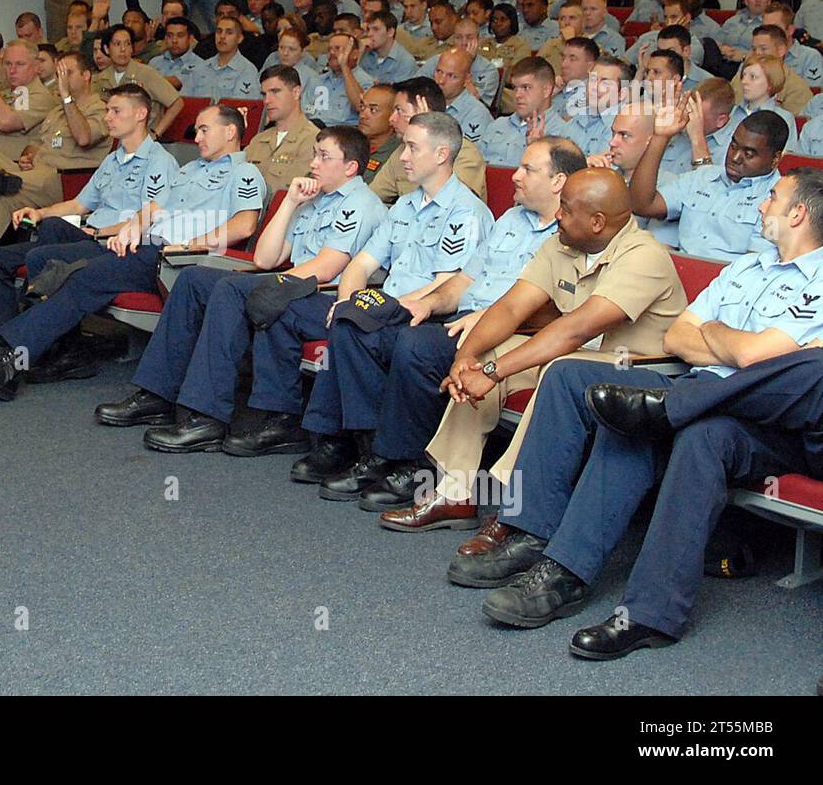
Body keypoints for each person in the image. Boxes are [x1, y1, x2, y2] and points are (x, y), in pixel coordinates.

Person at [465, 169, 823, 656]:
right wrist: (727, 344)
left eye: (773, 199)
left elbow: (759, 360)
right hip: (695, 384)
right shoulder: (747, 267)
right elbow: (679, 336)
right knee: (573, 377)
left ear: (798, 213)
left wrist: (716, 335)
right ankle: (536, 537)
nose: (761, 205)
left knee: (696, 434)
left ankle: (642, 610)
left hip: (767, 423)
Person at [374, 169, 686, 532]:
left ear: (598, 222)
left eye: (566, 209)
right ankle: (455, 492)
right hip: (569, 355)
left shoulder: (645, 256)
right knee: (493, 354)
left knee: (556, 370)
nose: (557, 215)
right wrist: (467, 360)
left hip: (630, 369)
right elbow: (510, 307)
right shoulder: (564, 244)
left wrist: (491, 374)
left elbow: (574, 331)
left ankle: (513, 507)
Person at [293, 137, 584, 491]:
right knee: (354, 326)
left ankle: (410, 465)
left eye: (528, 169)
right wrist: (429, 303)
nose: (514, 176)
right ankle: (366, 449)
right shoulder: (511, 219)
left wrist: (486, 318)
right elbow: (463, 279)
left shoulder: (571, 236)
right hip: (458, 319)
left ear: (558, 181)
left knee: (414, 346)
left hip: (503, 333)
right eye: (519, 166)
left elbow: (552, 311)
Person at [97, 125, 387, 454]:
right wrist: (290, 204)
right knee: (195, 278)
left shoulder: (360, 205)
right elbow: (265, 258)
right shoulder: (314, 201)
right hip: (294, 287)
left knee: (232, 290)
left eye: (323, 156)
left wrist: (273, 285)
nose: (314, 163)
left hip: (327, 297)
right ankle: (158, 393)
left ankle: (207, 415)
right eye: (314, 154)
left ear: (350, 167)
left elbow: (327, 267)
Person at [0, 104, 266, 399]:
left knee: (82, 278)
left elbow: (244, 226)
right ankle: (35, 355)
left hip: (175, 260)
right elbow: (155, 206)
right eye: (195, 131)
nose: (196, 138)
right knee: (53, 261)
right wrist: (133, 227)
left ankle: (8, 361)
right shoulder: (190, 170)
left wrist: (188, 244)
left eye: (204, 130)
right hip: (146, 246)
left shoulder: (244, 173)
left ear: (230, 132)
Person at [0, 84, 179, 352]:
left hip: (113, 243)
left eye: (116, 111)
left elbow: (150, 216)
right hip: (88, 233)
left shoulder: (159, 162)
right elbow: (79, 204)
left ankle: (44, 348)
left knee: (44, 253)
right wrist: (39, 212)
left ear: (140, 114)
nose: (107, 117)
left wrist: (102, 233)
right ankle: (4, 341)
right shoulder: (113, 159)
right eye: (107, 111)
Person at [0, 51, 110, 278]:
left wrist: (65, 97)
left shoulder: (100, 109)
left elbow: (83, 138)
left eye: (68, 73)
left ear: (86, 76)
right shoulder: (56, 111)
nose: (62, 78)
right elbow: (36, 143)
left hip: (65, 180)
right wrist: (28, 155)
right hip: (34, 172)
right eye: (60, 73)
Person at [629, 108, 786, 263]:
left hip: (724, 282)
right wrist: (660, 138)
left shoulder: (779, 201)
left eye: (749, 154)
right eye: (733, 146)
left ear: (775, 159)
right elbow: (642, 205)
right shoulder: (703, 177)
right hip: (675, 274)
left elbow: (754, 270)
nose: (736, 157)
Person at [367, 77, 488, 206]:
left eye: (399, 111)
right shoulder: (402, 152)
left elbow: (461, 203)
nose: (392, 119)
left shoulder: (463, 152)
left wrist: (428, 136)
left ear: (424, 112)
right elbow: (371, 197)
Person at [245, 65, 321, 196]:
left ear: (296, 92)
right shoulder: (258, 140)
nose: (267, 101)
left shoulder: (314, 141)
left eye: (275, 92)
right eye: (264, 94)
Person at [479, 57, 554, 166]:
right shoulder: (497, 124)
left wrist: (537, 149)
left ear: (546, 90)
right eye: (515, 88)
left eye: (526, 87)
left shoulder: (561, 133)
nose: (518, 95)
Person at [180, 16, 260, 100]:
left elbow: (241, 106)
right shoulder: (200, 68)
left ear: (239, 38)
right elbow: (185, 100)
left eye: (229, 33)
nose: (222, 36)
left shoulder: (247, 70)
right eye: (219, 31)